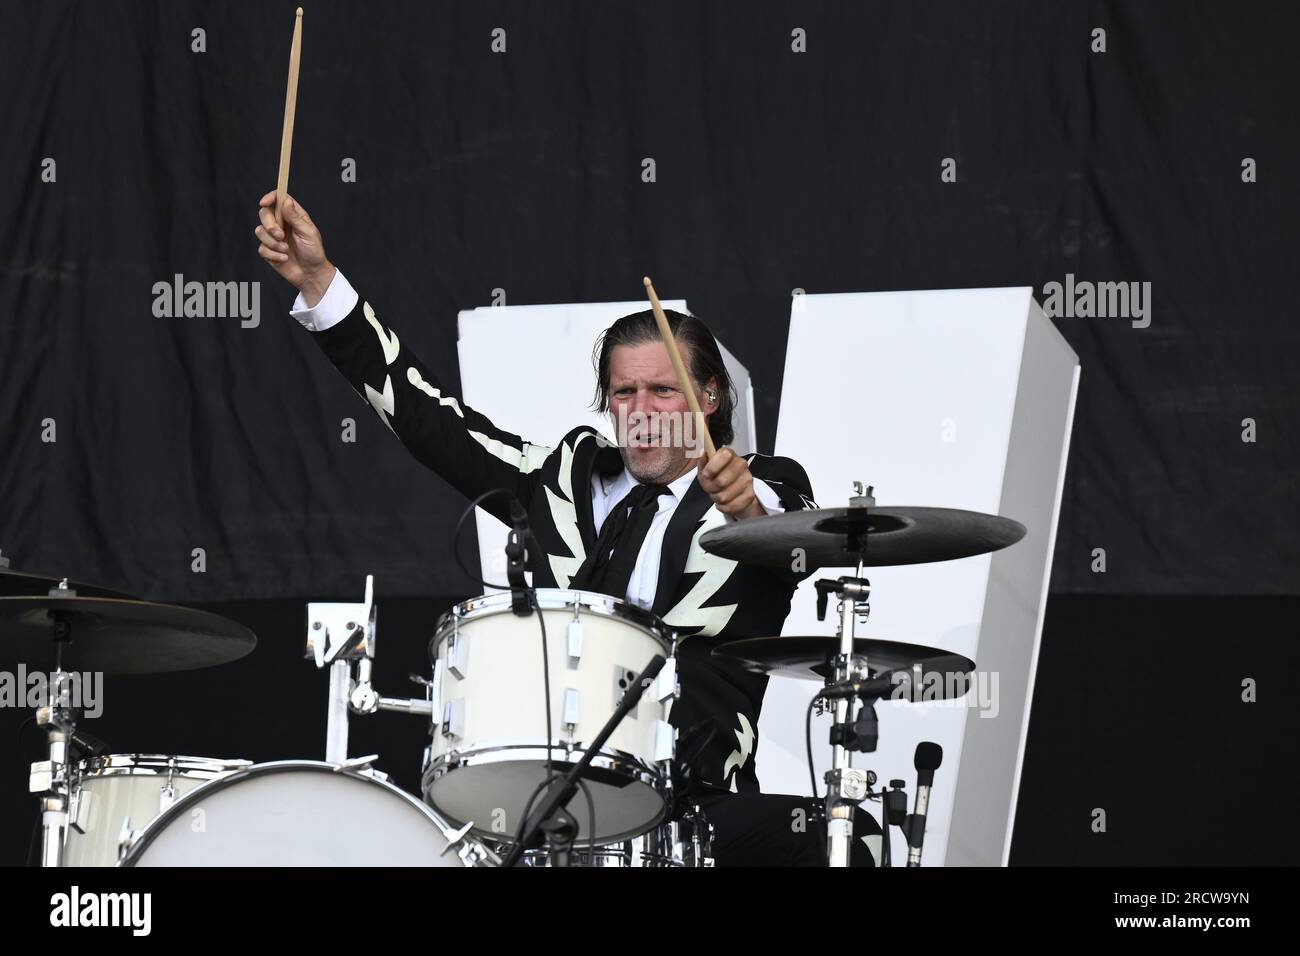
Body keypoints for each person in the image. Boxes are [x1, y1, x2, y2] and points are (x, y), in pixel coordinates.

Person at [254, 189, 880, 865]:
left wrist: (745, 507)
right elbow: (430, 419)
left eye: (663, 391)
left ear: (708, 397)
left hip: (699, 812)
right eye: (624, 392)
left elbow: (789, 535)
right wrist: (322, 285)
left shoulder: (765, 483)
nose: (640, 410)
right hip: (543, 803)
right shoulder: (565, 479)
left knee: (844, 838)